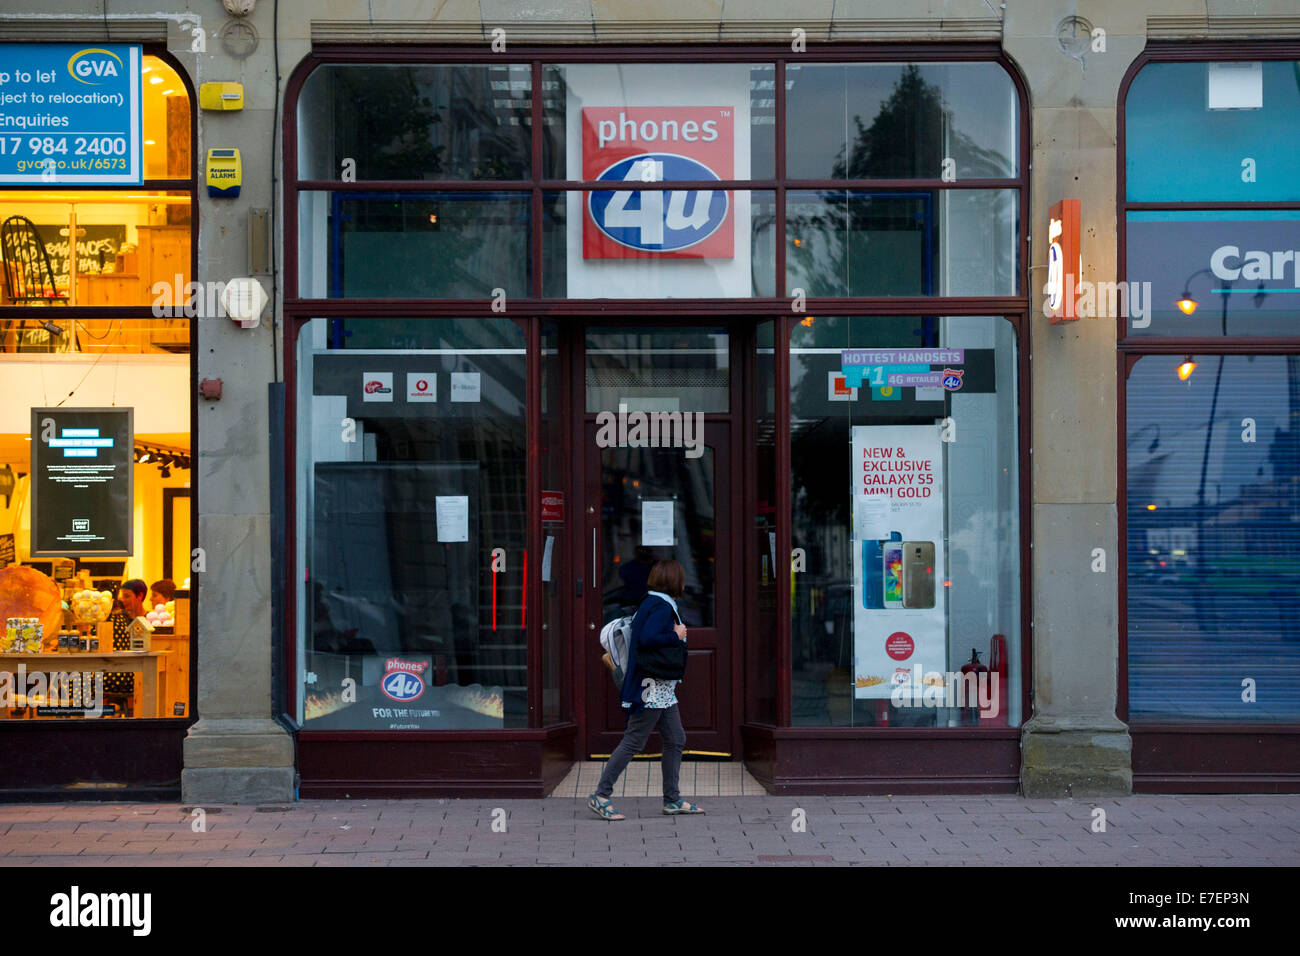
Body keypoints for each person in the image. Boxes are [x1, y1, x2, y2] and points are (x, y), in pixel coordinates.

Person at [589, 559, 704, 820]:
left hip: (660, 688)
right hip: (650, 686)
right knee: (634, 740)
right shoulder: (661, 607)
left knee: (676, 738)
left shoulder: (652, 602)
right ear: (674, 581)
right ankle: (601, 795)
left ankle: (672, 800)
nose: (684, 582)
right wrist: (676, 634)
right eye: (681, 577)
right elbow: (648, 639)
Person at [102, 579, 149, 715]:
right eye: (122, 596)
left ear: (140, 596)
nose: (123, 600)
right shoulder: (118, 620)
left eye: (127, 596)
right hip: (119, 668)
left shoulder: (150, 618)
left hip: (141, 669)